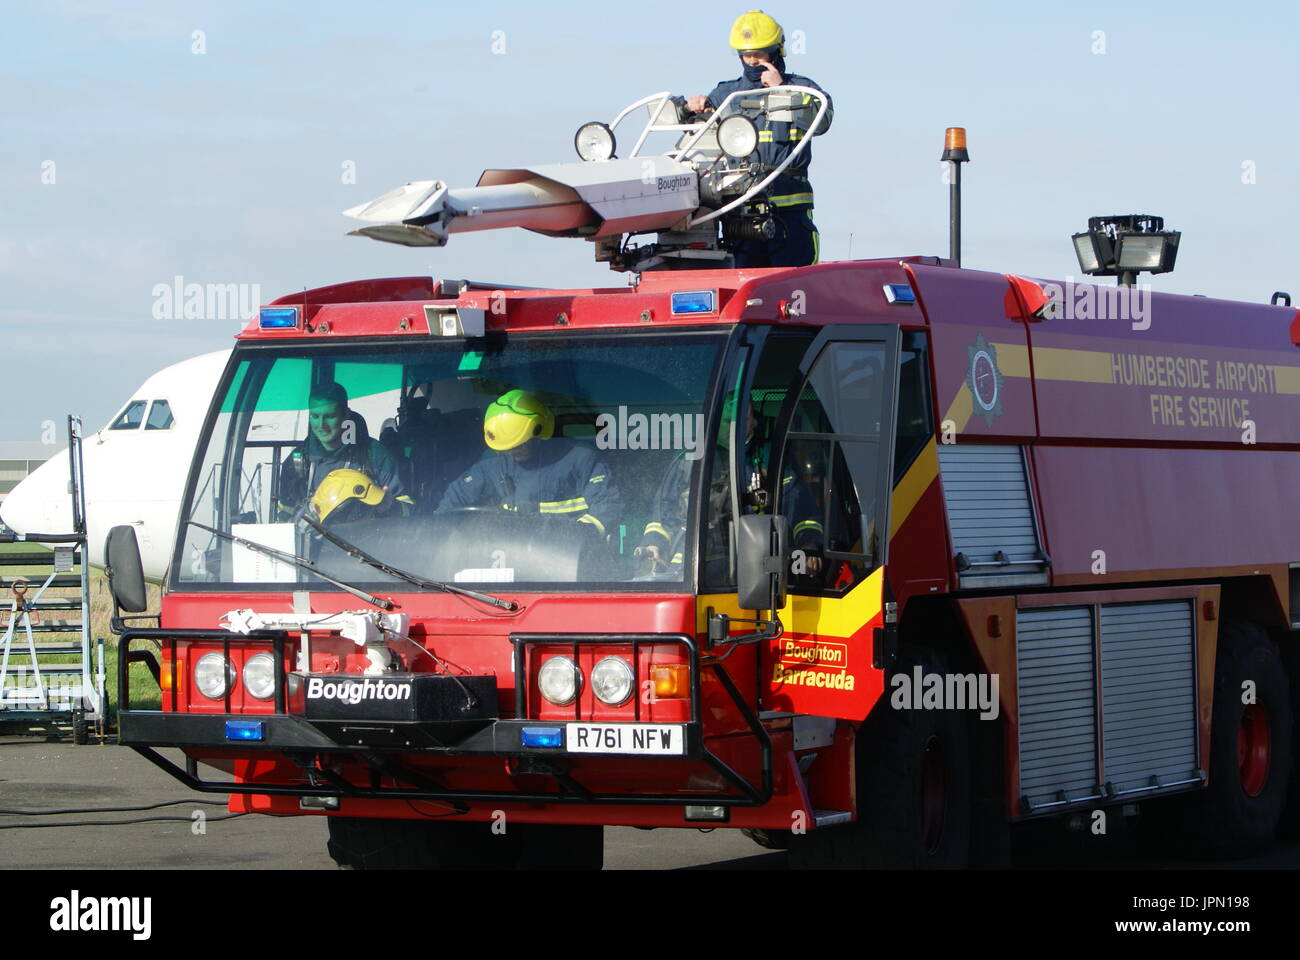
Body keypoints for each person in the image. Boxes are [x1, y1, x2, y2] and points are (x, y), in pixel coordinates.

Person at [683, 9, 833, 268]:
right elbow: (697, 141)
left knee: (794, 292)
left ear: (776, 52)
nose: (752, 61)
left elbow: (823, 121)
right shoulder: (725, 95)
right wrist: (692, 110)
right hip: (741, 220)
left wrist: (782, 90)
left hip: (790, 218)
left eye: (759, 54)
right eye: (746, 54)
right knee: (746, 295)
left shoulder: (803, 88)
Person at [435, 389, 622, 537]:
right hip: (508, 558)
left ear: (540, 430)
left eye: (519, 443)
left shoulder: (581, 458)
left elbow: (607, 506)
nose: (512, 451)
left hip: (567, 563)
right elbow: (453, 503)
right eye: (507, 446)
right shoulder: (493, 463)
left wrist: (572, 537)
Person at [276, 381, 413, 521]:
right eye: (315, 416)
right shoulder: (296, 460)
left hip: (362, 541)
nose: (321, 425)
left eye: (329, 417)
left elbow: (410, 511)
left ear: (346, 414)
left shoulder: (374, 455)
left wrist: (390, 506)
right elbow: (284, 515)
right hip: (309, 541)